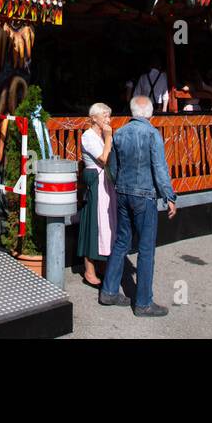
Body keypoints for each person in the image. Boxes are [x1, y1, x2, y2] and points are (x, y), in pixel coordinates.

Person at [99, 95, 178, 317]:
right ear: (150, 113)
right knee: (145, 248)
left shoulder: (120, 132)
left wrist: (119, 186)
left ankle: (109, 292)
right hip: (144, 196)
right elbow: (159, 167)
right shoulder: (152, 134)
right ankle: (143, 303)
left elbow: (112, 167)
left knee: (121, 242)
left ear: (133, 112)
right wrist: (169, 196)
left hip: (123, 193)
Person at [77, 103, 117, 287]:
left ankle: (101, 264)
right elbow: (104, 158)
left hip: (105, 183)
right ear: (94, 118)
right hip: (95, 183)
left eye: (109, 116)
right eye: (105, 116)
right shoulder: (88, 136)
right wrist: (109, 136)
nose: (108, 120)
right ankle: (89, 270)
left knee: (105, 224)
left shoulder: (100, 137)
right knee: (93, 224)